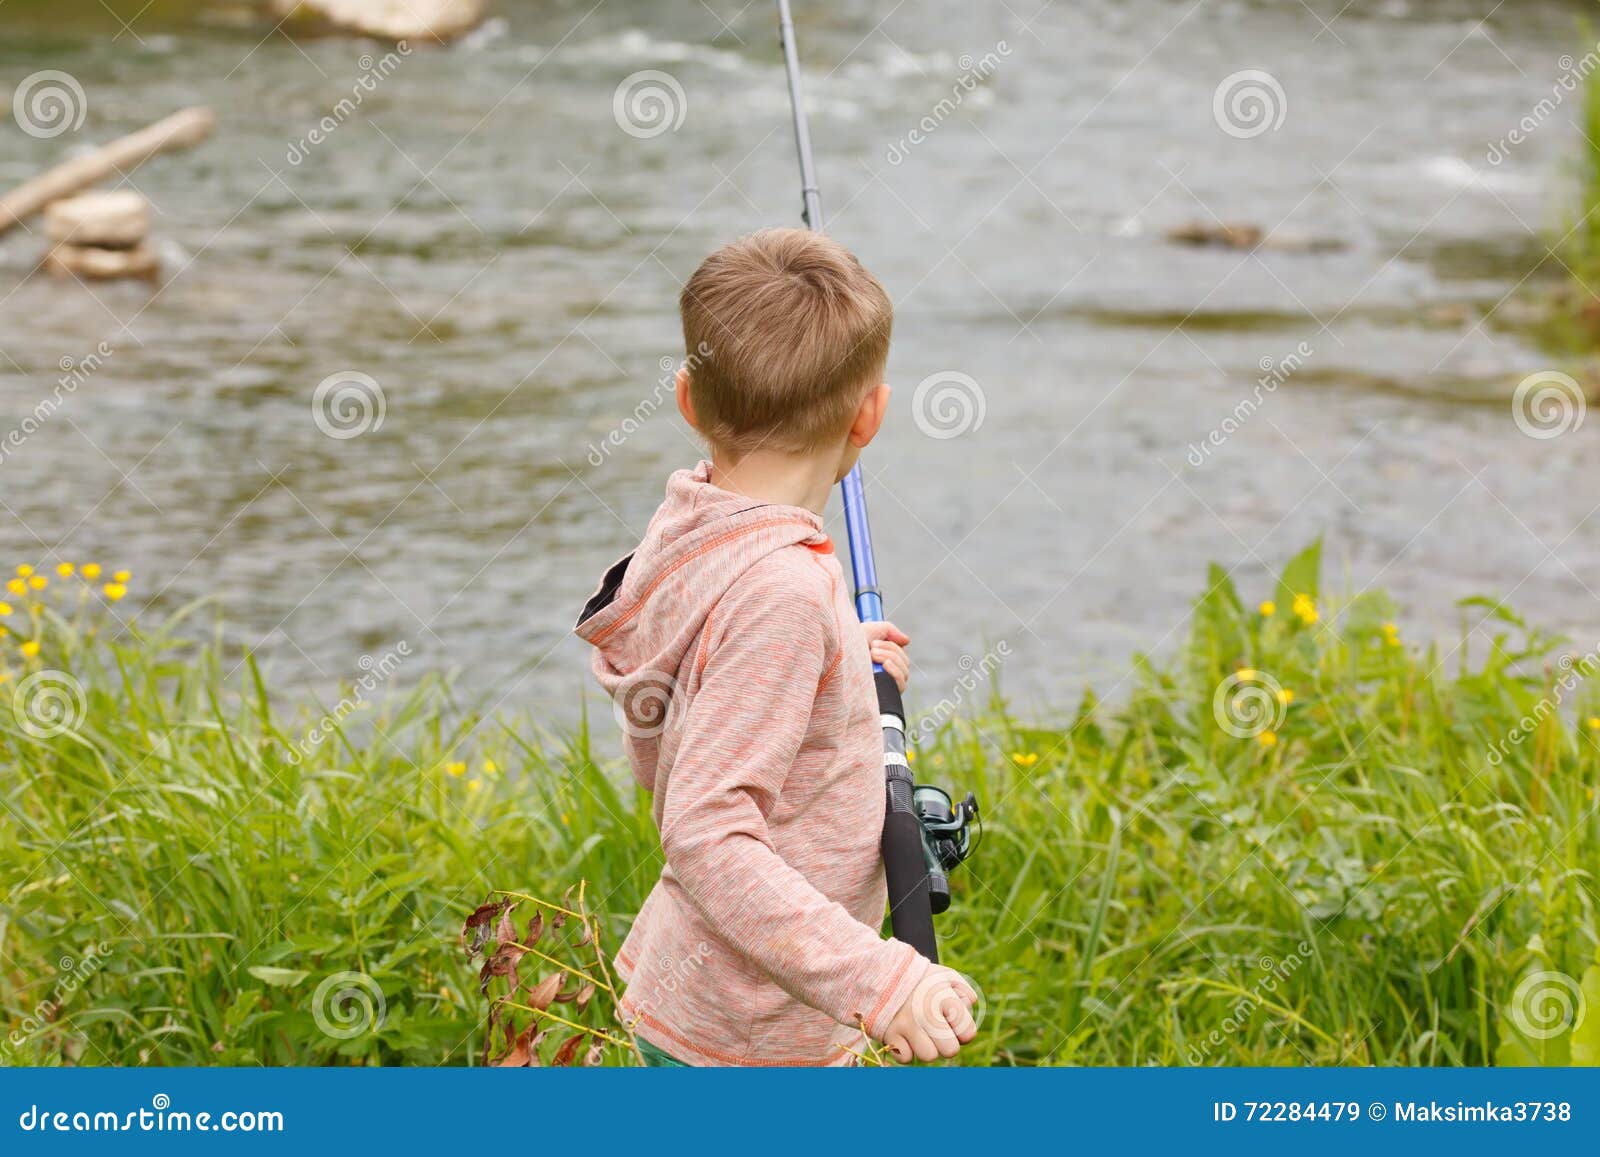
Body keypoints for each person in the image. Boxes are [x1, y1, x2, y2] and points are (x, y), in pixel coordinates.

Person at [576, 227, 978, 1066]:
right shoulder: (782, 594)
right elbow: (707, 830)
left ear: (688, 401)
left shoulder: (698, 527)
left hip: (711, 999)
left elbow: (722, 661)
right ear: (871, 414)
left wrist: (837, 652)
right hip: (752, 1032)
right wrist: (882, 981)